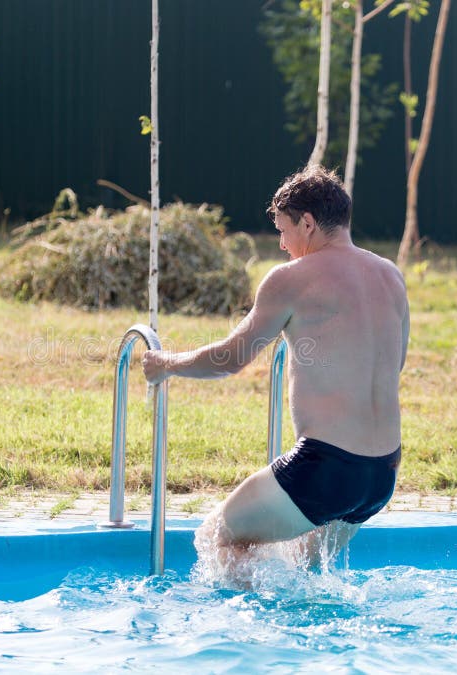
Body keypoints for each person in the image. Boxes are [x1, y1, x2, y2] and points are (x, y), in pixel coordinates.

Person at [142, 165, 410, 569]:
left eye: (284, 231)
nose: (283, 244)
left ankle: (259, 626)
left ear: (308, 222)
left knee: (218, 538)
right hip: (382, 473)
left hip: (325, 468)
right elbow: (396, 363)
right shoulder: (391, 276)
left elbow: (230, 358)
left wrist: (166, 363)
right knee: (304, 568)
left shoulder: (291, 279)